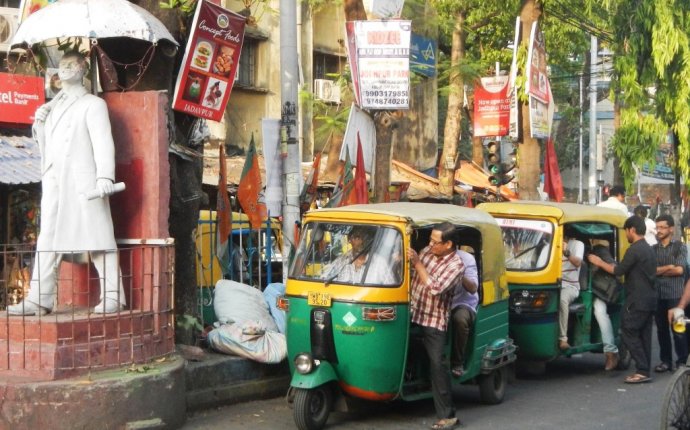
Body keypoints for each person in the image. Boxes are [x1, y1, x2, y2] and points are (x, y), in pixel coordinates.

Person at [7, 52, 126, 316]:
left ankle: (113, 295)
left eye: (71, 64)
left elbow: (103, 142)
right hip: (54, 178)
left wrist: (105, 175)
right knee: (47, 235)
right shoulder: (53, 106)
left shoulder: (92, 104)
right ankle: (40, 298)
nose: (65, 68)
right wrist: (40, 124)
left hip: (83, 180)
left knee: (98, 236)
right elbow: (47, 146)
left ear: (83, 68)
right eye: (62, 65)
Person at [588, 216, 657, 384]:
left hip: (637, 299)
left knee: (628, 331)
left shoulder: (634, 250)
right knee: (644, 334)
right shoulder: (648, 248)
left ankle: (641, 369)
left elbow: (618, 270)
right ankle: (644, 370)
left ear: (631, 230)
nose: (626, 234)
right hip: (650, 298)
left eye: (626, 231)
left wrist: (598, 262)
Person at [409, 222, 464, 430]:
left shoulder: (456, 265)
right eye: (430, 239)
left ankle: (447, 415)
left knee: (437, 365)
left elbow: (435, 288)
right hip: (413, 311)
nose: (430, 244)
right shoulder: (427, 251)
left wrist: (417, 264)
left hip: (433, 319)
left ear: (448, 244)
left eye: (435, 241)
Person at [652, 214, 688, 372]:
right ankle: (665, 361)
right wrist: (668, 268)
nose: (658, 230)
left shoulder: (679, 247)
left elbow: (680, 270)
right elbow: (650, 271)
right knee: (661, 330)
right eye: (657, 227)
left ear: (671, 229)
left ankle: (682, 361)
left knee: (678, 329)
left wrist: (661, 271)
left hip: (676, 294)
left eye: (662, 227)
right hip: (658, 294)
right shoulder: (653, 249)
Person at [324, 226, 396, 285]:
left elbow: (393, 290)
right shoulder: (341, 261)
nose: (361, 241)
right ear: (349, 239)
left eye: (364, 237)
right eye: (357, 237)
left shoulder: (380, 263)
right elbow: (323, 280)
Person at [589, 239, 620, 370]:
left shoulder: (600, 250)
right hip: (588, 289)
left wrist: (598, 262)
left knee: (600, 311)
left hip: (599, 291)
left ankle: (610, 351)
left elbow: (615, 268)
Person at [450, 246, 479, 378]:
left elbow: (473, 288)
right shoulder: (429, 256)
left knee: (460, 319)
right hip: (439, 302)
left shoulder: (466, 259)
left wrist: (459, 274)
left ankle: (458, 362)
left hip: (462, 303)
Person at [558, 228, 585, 350]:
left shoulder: (577, 245)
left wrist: (566, 252)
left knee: (562, 300)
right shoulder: (549, 244)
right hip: (553, 284)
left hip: (570, 286)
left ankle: (563, 339)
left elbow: (578, 262)